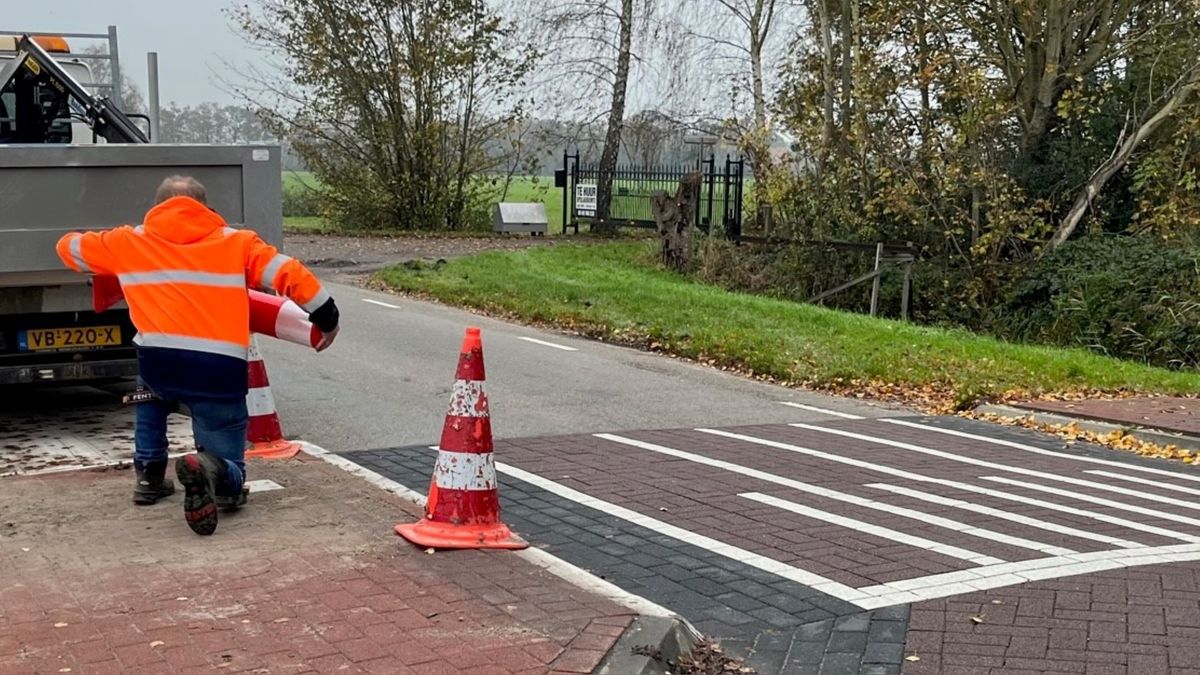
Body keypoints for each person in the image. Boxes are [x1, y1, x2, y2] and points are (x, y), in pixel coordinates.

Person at [56, 176, 339, 535]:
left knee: (149, 390)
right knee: (229, 471)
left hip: (159, 363)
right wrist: (326, 317)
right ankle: (212, 469)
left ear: (156, 209)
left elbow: (68, 247)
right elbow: (288, 273)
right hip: (218, 368)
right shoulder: (237, 242)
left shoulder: (127, 241)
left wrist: (111, 248)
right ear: (206, 209)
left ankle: (149, 476)